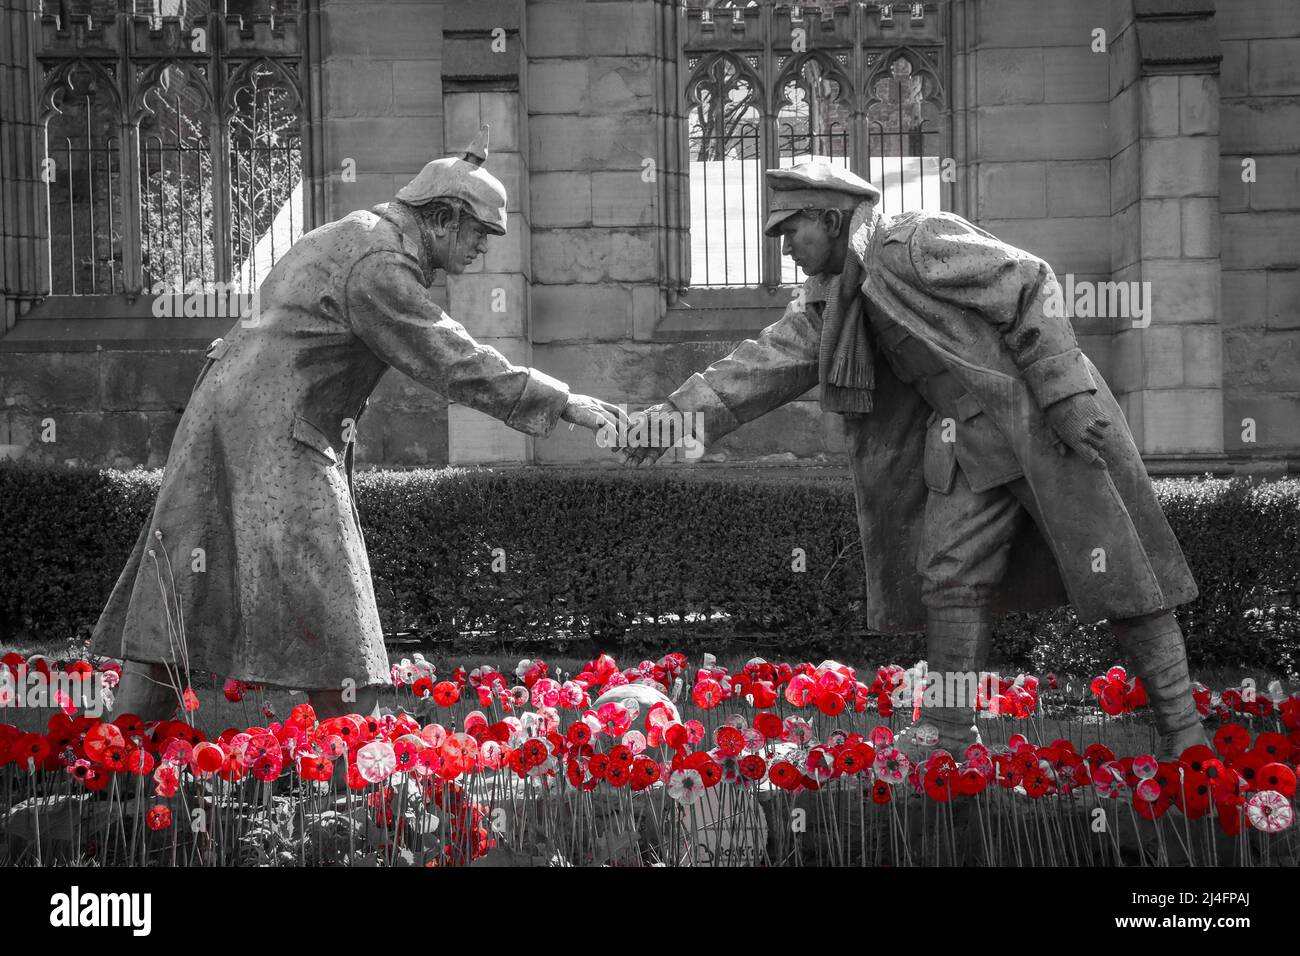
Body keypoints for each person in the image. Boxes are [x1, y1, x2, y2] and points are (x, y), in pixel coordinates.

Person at [624, 161, 1207, 760]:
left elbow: (1031, 282)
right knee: (949, 576)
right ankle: (950, 732)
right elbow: (754, 370)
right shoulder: (837, 302)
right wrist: (667, 420)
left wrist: (1066, 395)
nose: (786, 249)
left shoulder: (913, 242)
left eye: (791, 232)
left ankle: (1185, 735)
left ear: (829, 219)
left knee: (1120, 573)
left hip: (1043, 426)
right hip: (965, 446)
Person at [96, 126, 627, 722]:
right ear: (444, 217)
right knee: (335, 599)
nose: (484, 248)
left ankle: (125, 755)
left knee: (180, 590)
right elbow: (446, 354)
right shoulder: (380, 261)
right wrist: (558, 400)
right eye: (481, 232)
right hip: (275, 435)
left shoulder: (352, 233)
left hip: (220, 420)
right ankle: (358, 769)